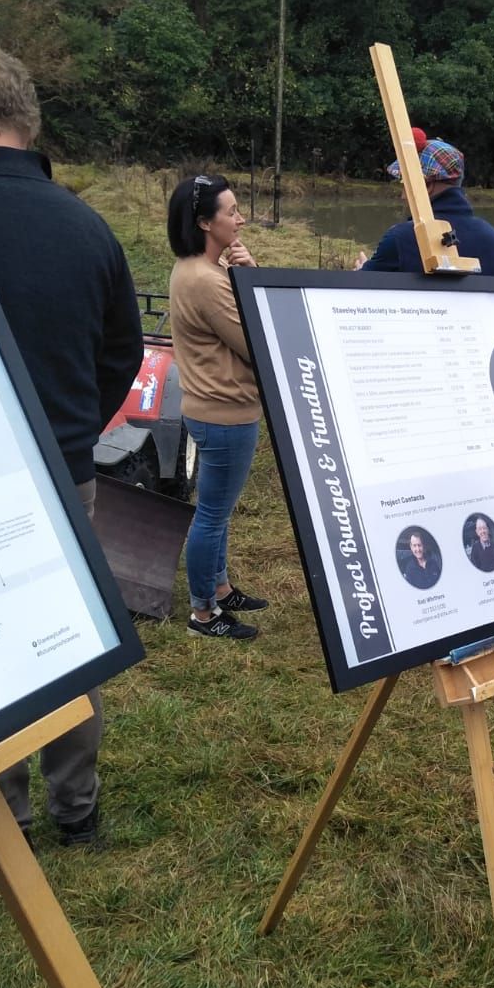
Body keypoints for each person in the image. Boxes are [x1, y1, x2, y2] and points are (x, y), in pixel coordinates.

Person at [0, 44, 143, 865]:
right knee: (65, 634)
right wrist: (72, 427)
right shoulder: (86, 226)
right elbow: (121, 355)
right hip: (63, 471)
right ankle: (76, 809)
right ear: (30, 125)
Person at [167, 173, 270, 639]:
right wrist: (246, 278)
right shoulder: (207, 281)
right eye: (231, 212)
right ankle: (204, 614)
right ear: (206, 222)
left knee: (217, 509)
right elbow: (257, 341)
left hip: (210, 408)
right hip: (225, 412)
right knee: (211, 514)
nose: (240, 218)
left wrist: (240, 273)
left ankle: (221, 588)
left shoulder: (195, 268)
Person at [352, 137, 494, 276]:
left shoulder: (401, 238)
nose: (403, 196)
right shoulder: (493, 239)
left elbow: (363, 294)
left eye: (404, 184)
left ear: (426, 186)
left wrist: (361, 273)